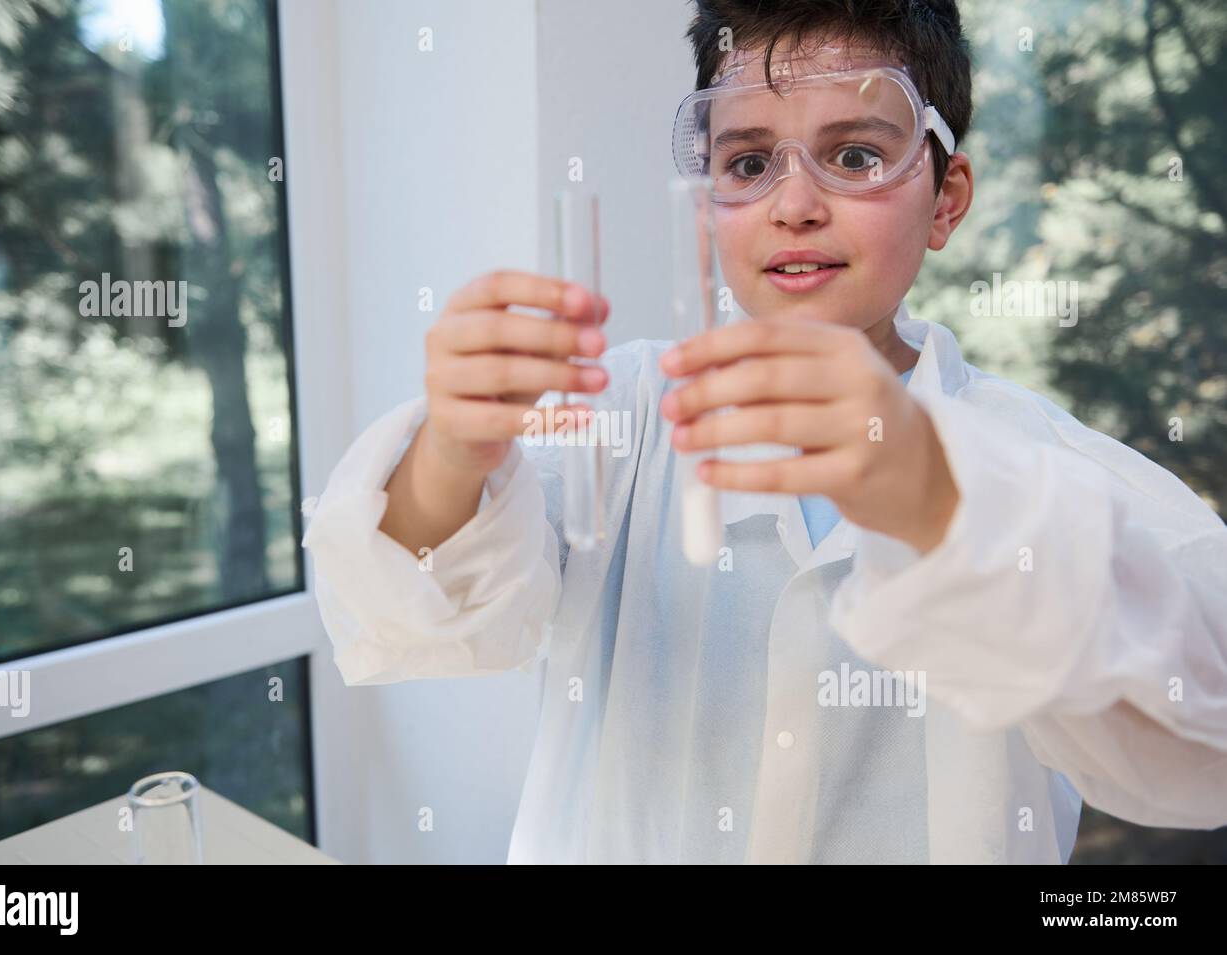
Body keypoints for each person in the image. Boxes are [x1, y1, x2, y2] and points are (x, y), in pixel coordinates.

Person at [302, 0, 1227, 863]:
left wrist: (940, 498)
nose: (795, 205)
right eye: (748, 163)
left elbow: (1199, 751)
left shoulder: (1045, 469)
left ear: (945, 197)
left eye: (856, 156)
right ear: (709, 202)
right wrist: (456, 452)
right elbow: (421, 610)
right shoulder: (619, 408)